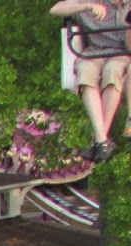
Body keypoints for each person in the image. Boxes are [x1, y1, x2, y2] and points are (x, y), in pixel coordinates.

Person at [54, 1, 131, 161]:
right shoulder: (93, 3)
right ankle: (102, 139)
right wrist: (87, 6)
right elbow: (56, 9)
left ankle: (100, 140)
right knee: (86, 72)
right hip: (94, 52)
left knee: (113, 72)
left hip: (120, 54)